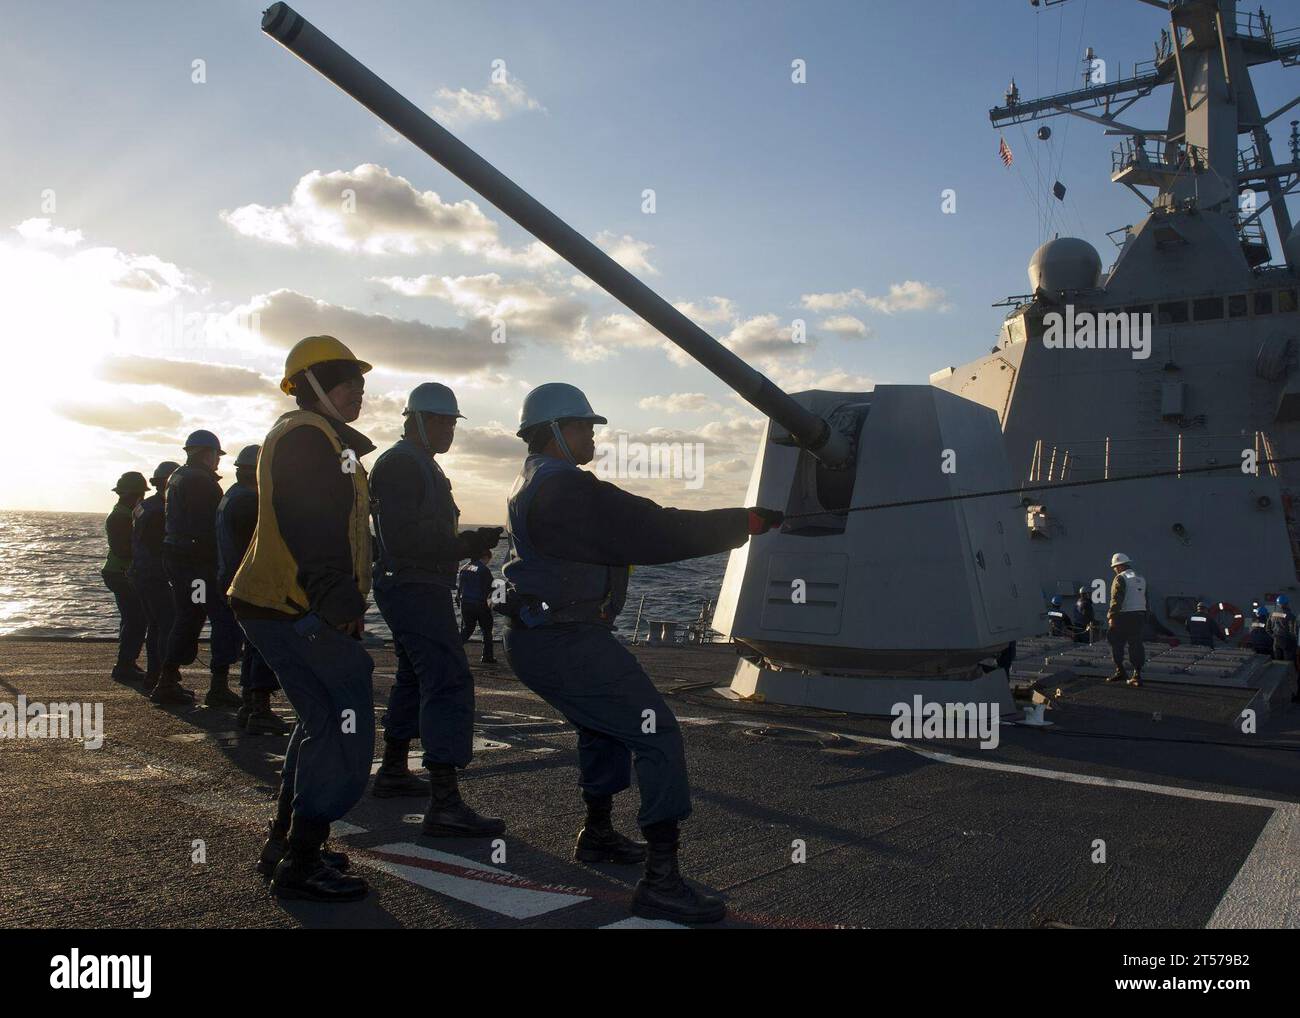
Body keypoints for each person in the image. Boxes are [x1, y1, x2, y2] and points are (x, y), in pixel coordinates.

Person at [500, 382, 782, 924]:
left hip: (543, 634)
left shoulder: (536, 480)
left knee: (603, 726)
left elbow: (636, 527)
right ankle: (661, 880)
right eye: (585, 426)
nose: (592, 435)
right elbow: (653, 527)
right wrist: (742, 522)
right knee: (657, 732)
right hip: (563, 639)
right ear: (556, 431)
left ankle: (599, 832)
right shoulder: (565, 490)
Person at [230, 335, 375, 902]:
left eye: (361, 384)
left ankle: (289, 845)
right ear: (314, 386)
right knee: (344, 718)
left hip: (278, 603)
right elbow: (312, 524)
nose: (359, 391)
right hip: (296, 607)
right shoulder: (309, 439)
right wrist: (337, 604)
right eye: (347, 382)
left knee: (319, 719)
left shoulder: (316, 439)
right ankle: (301, 860)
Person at [369, 382, 504, 834]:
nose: (450, 430)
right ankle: (445, 803)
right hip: (413, 586)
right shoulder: (402, 465)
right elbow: (402, 538)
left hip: (414, 584)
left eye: (452, 422)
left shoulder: (417, 464)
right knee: (448, 678)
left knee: (414, 674)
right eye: (444, 421)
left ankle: (392, 770)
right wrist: (464, 542)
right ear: (418, 420)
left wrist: (464, 543)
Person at [154, 430, 242, 707]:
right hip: (197, 563)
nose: (218, 462)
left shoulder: (177, 476)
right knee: (222, 618)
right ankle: (217, 686)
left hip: (178, 558)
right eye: (217, 456)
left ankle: (167, 679)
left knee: (188, 616)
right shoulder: (201, 482)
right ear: (208, 453)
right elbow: (210, 529)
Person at [216, 444, 286, 736]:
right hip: (252, 583)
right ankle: (259, 708)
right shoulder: (249, 503)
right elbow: (256, 549)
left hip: (232, 579)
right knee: (264, 645)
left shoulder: (231, 497)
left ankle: (249, 705)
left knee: (252, 643)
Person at [129, 461, 179, 694]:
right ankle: (162, 680)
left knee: (155, 626)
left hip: (141, 574)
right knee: (166, 626)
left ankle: (153, 676)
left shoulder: (143, 507)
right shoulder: (163, 510)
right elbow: (160, 547)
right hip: (157, 576)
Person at [103, 472, 148, 684]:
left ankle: (127, 662)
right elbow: (122, 550)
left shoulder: (124, 514)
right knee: (136, 618)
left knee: (132, 618)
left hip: (119, 573)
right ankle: (124, 664)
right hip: (121, 574)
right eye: (140, 495)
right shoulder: (121, 517)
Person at [1106, 552, 1147, 688]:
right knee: (1136, 644)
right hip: (1139, 615)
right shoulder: (1140, 578)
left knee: (1116, 643)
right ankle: (1137, 675)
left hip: (1123, 616)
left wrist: (1111, 616)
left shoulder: (1120, 578)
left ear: (1119, 566)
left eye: (1115, 567)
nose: (1114, 569)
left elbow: (1116, 599)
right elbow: (1145, 598)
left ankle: (1120, 671)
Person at [458, 548, 497, 664]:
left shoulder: (464, 568)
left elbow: (460, 587)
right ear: (485, 557)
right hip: (479, 604)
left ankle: (453, 649)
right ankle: (487, 656)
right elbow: (490, 588)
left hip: (465, 603)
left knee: (468, 628)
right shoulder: (483, 570)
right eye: (488, 560)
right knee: (486, 630)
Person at [1269, 595, 1299, 703]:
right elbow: (1293, 632)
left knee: (1278, 667)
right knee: (1290, 669)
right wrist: (1294, 645)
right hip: (1287, 644)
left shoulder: (1272, 614)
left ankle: (1276, 693)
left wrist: (1275, 637)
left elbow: (1268, 629)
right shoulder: (1290, 615)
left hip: (1276, 643)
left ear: (1278, 604)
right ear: (1286, 604)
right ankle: (1294, 695)